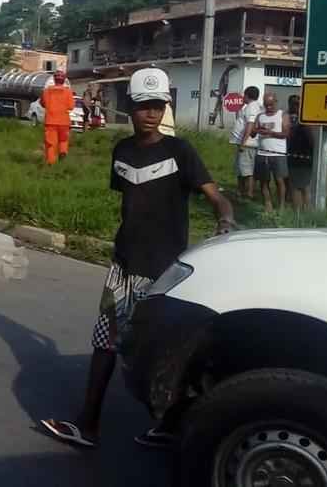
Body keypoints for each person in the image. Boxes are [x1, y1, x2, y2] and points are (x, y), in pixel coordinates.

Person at [41, 68, 234, 450]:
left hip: (164, 270)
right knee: (105, 343)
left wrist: (225, 220)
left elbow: (216, 197)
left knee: (163, 350)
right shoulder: (122, 152)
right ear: (130, 107)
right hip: (124, 263)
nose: (151, 113)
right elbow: (131, 204)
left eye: (158, 105)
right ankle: (88, 425)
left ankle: (172, 424)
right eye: (144, 105)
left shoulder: (180, 151)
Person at [252, 92, 288, 211]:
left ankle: (281, 206)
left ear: (276, 102)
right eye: (266, 105)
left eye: (271, 104)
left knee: (279, 180)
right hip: (262, 153)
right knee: (263, 181)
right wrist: (257, 130)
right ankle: (268, 204)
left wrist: (270, 133)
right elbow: (252, 133)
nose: (269, 107)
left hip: (278, 153)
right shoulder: (260, 116)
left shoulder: (282, 115)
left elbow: (286, 134)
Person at [228, 86, 261, 199]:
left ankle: (249, 193)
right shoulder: (250, 107)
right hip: (243, 143)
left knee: (247, 171)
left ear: (247, 95)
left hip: (247, 144)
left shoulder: (252, 107)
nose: (243, 97)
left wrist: (243, 143)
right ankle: (240, 191)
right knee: (241, 170)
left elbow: (250, 125)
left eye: (244, 95)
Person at [38, 70, 75, 165]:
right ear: (64, 80)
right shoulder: (68, 91)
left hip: (50, 121)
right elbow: (71, 106)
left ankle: (51, 163)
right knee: (63, 140)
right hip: (64, 121)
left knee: (51, 143)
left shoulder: (47, 91)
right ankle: (63, 151)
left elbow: (42, 103)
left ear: (54, 79)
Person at [285, 95, 313, 210]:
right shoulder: (286, 116)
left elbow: (311, 137)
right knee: (294, 185)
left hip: (305, 154)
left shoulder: (307, 117)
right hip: (291, 153)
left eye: (298, 104)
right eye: (293, 104)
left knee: (305, 185)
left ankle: (307, 211)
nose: (295, 106)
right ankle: (298, 212)